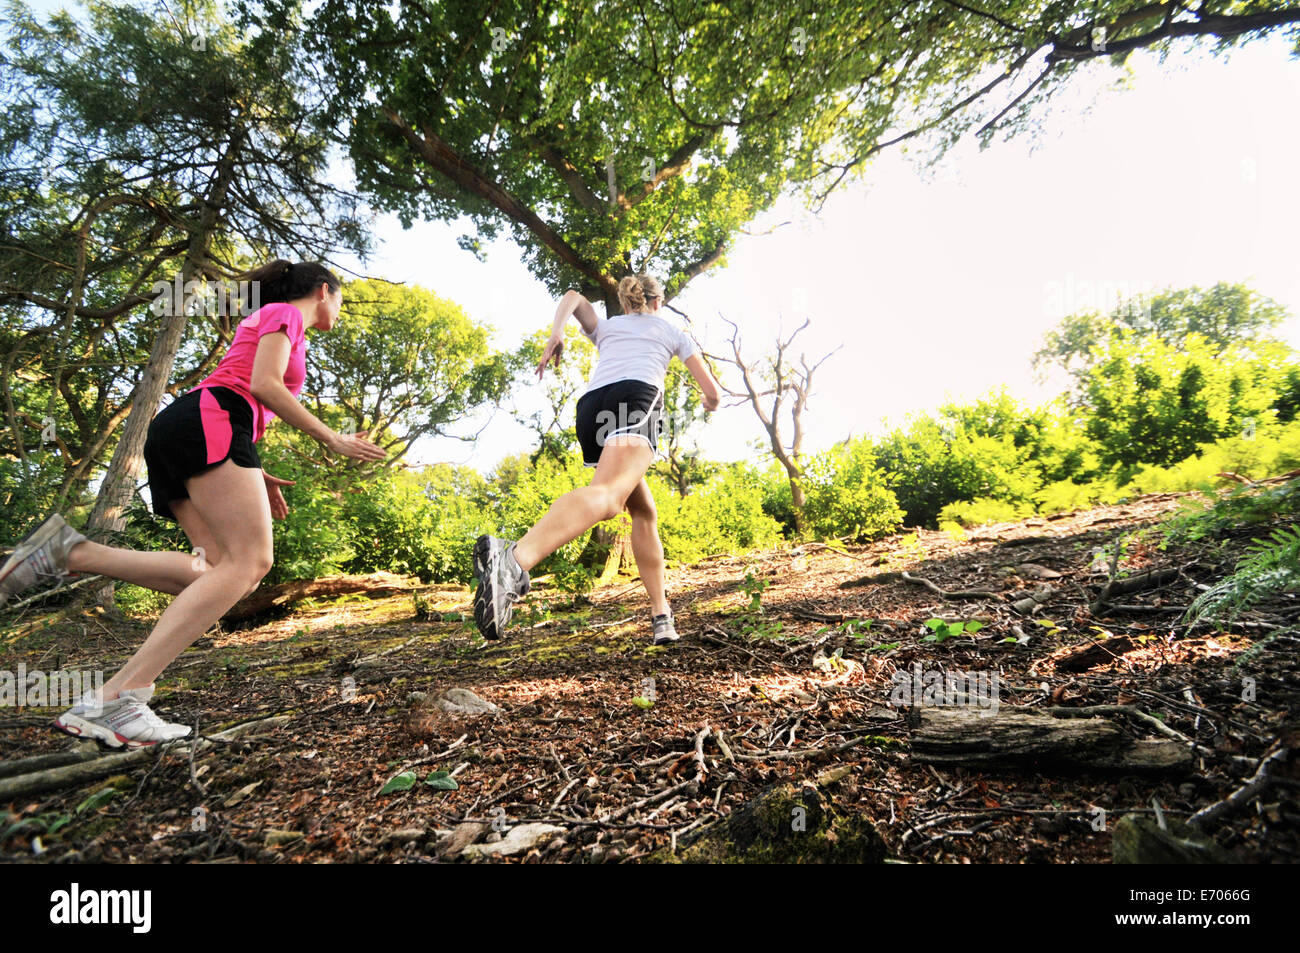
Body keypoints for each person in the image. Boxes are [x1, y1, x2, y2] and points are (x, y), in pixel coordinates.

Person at [0, 260, 386, 747]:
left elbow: (246, 391)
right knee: (252, 562)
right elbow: (262, 385)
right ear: (324, 290)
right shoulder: (285, 314)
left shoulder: (276, 323)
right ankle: (119, 698)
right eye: (340, 299)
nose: (339, 309)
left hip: (194, 425)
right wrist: (331, 437)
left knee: (217, 570)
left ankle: (70, 554)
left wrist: (252, 472)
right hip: (211, 419)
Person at [473, 274, 721, 645]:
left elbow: (573, 296)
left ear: (625, 302)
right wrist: (709, 404)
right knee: (607, 498)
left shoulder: (607, 327)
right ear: (658, 302)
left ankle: (661, 615)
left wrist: (556, 334)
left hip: (593, 409)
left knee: (643, 510)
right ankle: (513, 561)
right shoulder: (672, 331)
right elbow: (712, 391)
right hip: (635, 403)